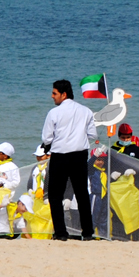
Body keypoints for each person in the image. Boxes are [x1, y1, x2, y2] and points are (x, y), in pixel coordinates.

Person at [39, 80, 96, 241]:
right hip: (79, 155)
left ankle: (61, 233)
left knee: (55, 195)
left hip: (60, 155)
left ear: (64, 94)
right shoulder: (85, 111)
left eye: (54, 93)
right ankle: (88, 233)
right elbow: (93, 135)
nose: (52, 96)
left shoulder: (54, 113)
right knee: (82, 193)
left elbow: (47, 137)